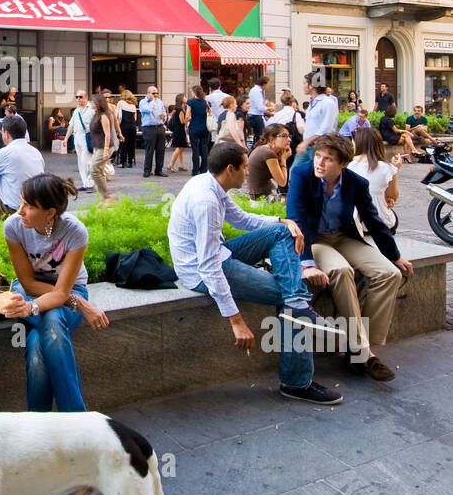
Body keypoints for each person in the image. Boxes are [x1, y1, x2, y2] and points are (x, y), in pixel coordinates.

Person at [168, 140, 342, 406]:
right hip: (203, 271)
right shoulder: (206, 201)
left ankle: (296, 301)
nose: (248, 172)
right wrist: (235, 320)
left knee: (283, 232)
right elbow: (209, 265)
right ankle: (296, 383)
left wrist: (283, 221)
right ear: (230, 169)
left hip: (220, 253)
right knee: (286, 296)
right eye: (245, 167)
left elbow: (242, 220)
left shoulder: (211, 183)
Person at [0, 173, 110, 495]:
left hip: (68, 298)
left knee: (40, 342)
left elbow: (65, 291)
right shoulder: (14, 227)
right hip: (32, 294)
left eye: (29, 205)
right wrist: (34, 304)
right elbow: (29, 283)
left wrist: (73, 302)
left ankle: (36, 439)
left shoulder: (74, 232)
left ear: (50, 212)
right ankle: (83, 439)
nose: (21, 210)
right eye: (21, 202)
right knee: (46, 329)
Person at [287, 133, 413, 380]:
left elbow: (374, 222)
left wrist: (394, 256)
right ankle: (365, 355)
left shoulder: (356, 183)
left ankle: (361, 348)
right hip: (314, 240)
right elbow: (297, 217)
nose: (320, 163)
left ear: (343, 164)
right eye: (319, 157)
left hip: (343, 237)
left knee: (389, 274)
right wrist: (306, 264)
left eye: (328, 160)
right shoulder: (302, 175)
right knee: (341, 271)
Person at [0, 114, 45, 216]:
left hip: (14, 209)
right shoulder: (36, 152)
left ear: (6, 134)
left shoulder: (5, 152)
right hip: (36, 206)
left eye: (1, 132)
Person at [349, 127, 399, 230]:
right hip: (378, 221)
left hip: (353, 221)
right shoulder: (387, 168)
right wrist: (395, 170)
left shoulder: (347, 165)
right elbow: (392, 196)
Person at [246, 124, 291, 198]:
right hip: (262, 197)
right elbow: (282, 182)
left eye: (289, 136)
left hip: (258, 194)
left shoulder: (263, 149)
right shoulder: (268, 153)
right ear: (272, 139)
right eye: (284, 136)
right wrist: (283, 159)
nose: (289, 139)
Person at [88, 92, 116, 205]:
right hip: (97, 146)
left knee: (94, 170)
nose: (91, 103)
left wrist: (105, 150)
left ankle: (107, 196)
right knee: (99, 171)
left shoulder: (104, 116)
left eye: (93, 101)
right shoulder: (96, 114)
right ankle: (105, 199)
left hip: (104, 147)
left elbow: (108, 134)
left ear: (98, 103)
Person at [139, 85, 168, 177]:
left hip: (159, 126)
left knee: (161, 149)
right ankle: (147, 170)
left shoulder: (159, 101)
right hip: (149, 127)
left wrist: (163, 118)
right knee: (149, 150)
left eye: (156, 93)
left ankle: (159, 170)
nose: (155, 95)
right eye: (153, 93)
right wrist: (151, 101)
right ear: (148, 93)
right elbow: (147, 110)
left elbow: (164, 112)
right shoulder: (143, 102)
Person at [68, 89, 95, 191]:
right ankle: (85, 183)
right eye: (77, 97)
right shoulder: (76, 111)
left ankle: (90, 184)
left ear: (86, 97)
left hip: (87, 138)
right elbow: (71, 125)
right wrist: (66, 139)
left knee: (87, 161)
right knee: (81, 162)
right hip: (77, 138)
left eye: (80, 97)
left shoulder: (91, 109)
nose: (78, 99)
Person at [185, 84, 212, 176]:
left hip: (194, 127)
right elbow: (209, 113)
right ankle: (204, 169)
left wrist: (186, 125)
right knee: (204, 148)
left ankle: (195, 170)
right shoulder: (206, 102)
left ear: (194, 92)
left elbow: (187, 115)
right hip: (205, 127)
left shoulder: (190, 102)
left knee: (195, 150)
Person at [116, 91, 138, 167]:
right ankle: (130, 162)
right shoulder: (133, 105)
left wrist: (117, 125)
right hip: (132, 126)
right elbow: (135, 118)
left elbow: (118, 115)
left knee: (123, 144)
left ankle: (123, 162)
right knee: (131, 144)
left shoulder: (120, 103)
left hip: (124, 125)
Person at [167, 94, 188, 173]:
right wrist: (189, 118)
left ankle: (181, 164)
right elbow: (182, 121)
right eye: (185, 97)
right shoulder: (180, 109)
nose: (186, 98)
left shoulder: (177, 108)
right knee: (180, 148)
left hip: (177, 130)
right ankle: (171, 164)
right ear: (181, 99)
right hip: (180, 130)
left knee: (180, 148)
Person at [246, 76, 270, 146]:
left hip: (255, 114)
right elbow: (259, 107)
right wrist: (268, 109)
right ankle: (257, 148)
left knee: (258, 135)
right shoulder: (257, 91)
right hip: (256, 115)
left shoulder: (255, 90)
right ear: (264, 84)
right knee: (260, 136)